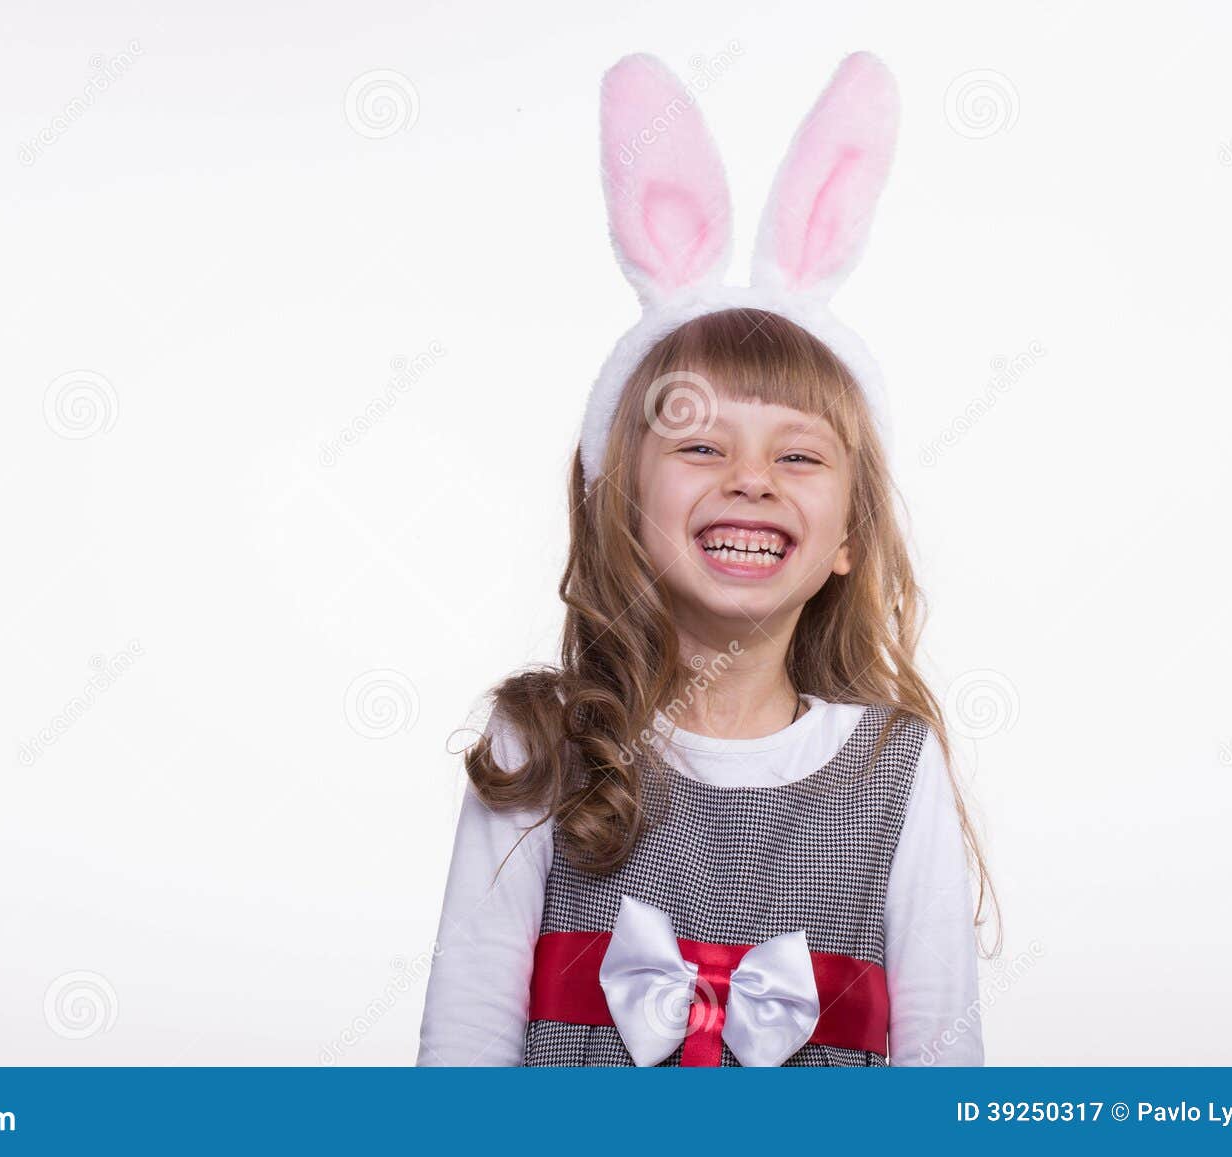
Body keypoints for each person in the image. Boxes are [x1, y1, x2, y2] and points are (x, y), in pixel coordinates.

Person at [417, 49, 997, 1068]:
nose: (750, 477)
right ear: (623, 499)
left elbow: (944, 1066)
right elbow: (461, 1049)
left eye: (799, 454)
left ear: (850, 536)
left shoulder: (892, 772)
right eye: (697, 443)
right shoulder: (535, 747)